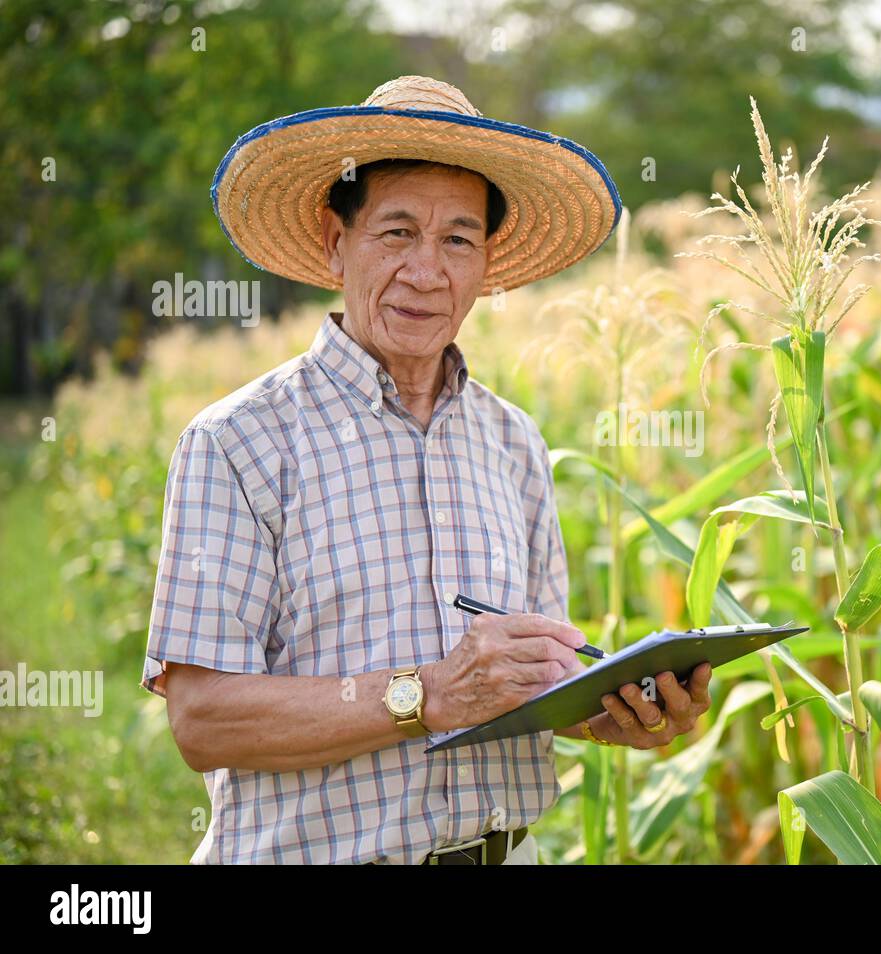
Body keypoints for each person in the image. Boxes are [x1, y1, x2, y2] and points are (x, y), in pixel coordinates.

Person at [141, 75, 712, 864]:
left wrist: (611, 710)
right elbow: (202, 721)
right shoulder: (239, 443)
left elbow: (525, 686)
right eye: (396, 232)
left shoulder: (513, 443)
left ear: (486, 264)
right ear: (334, 242)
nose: (427, 271)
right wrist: (427, 695)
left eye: (458, 240)